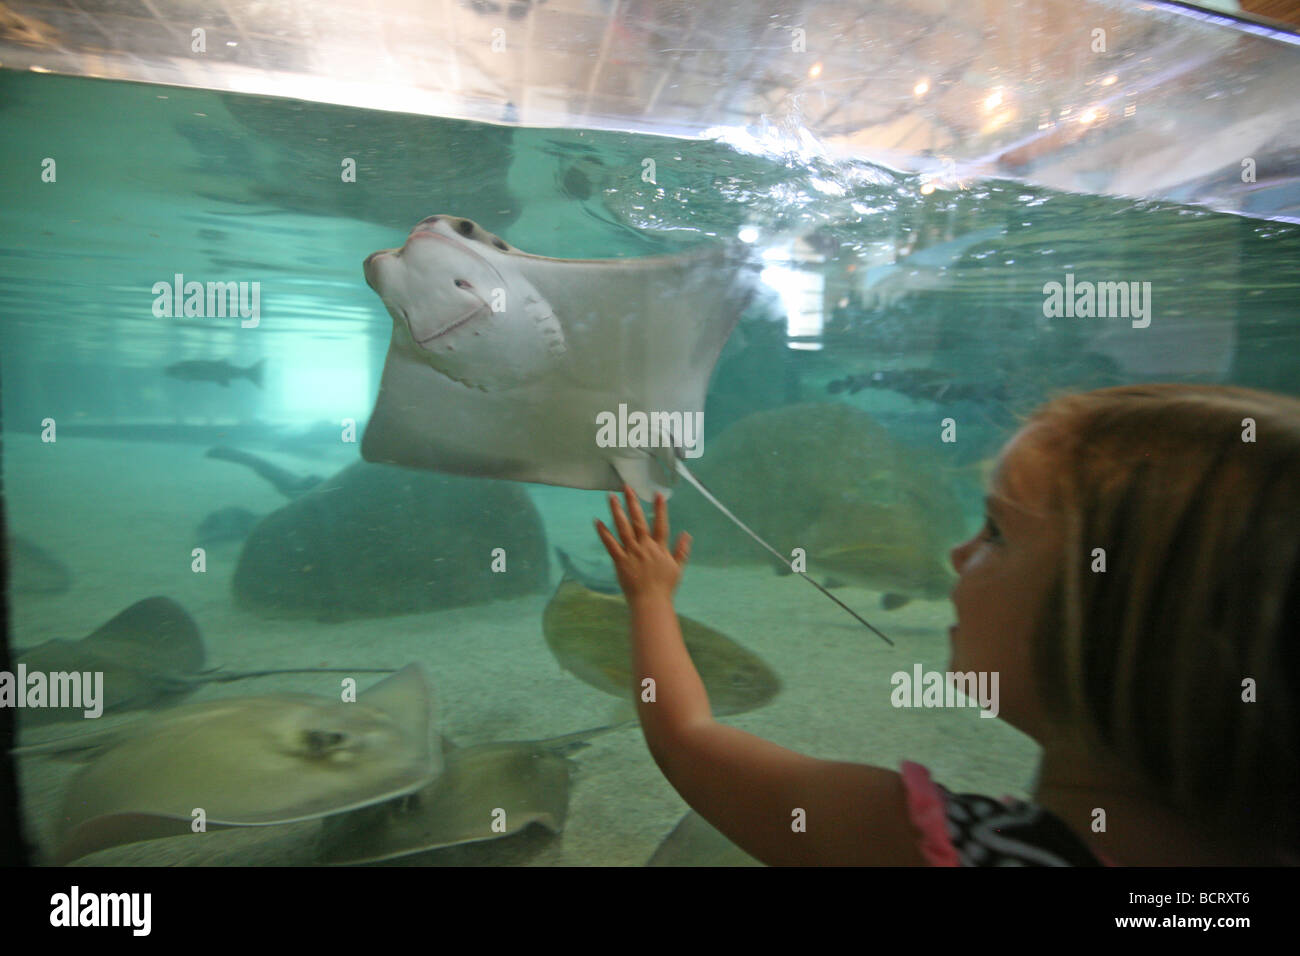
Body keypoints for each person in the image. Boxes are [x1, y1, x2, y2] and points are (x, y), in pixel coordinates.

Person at [594, 384, 1299, 866]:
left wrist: (651, 598)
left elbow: (688, 742)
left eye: (995, 531)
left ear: (1112, 630)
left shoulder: (930, 843)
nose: (960, 551)